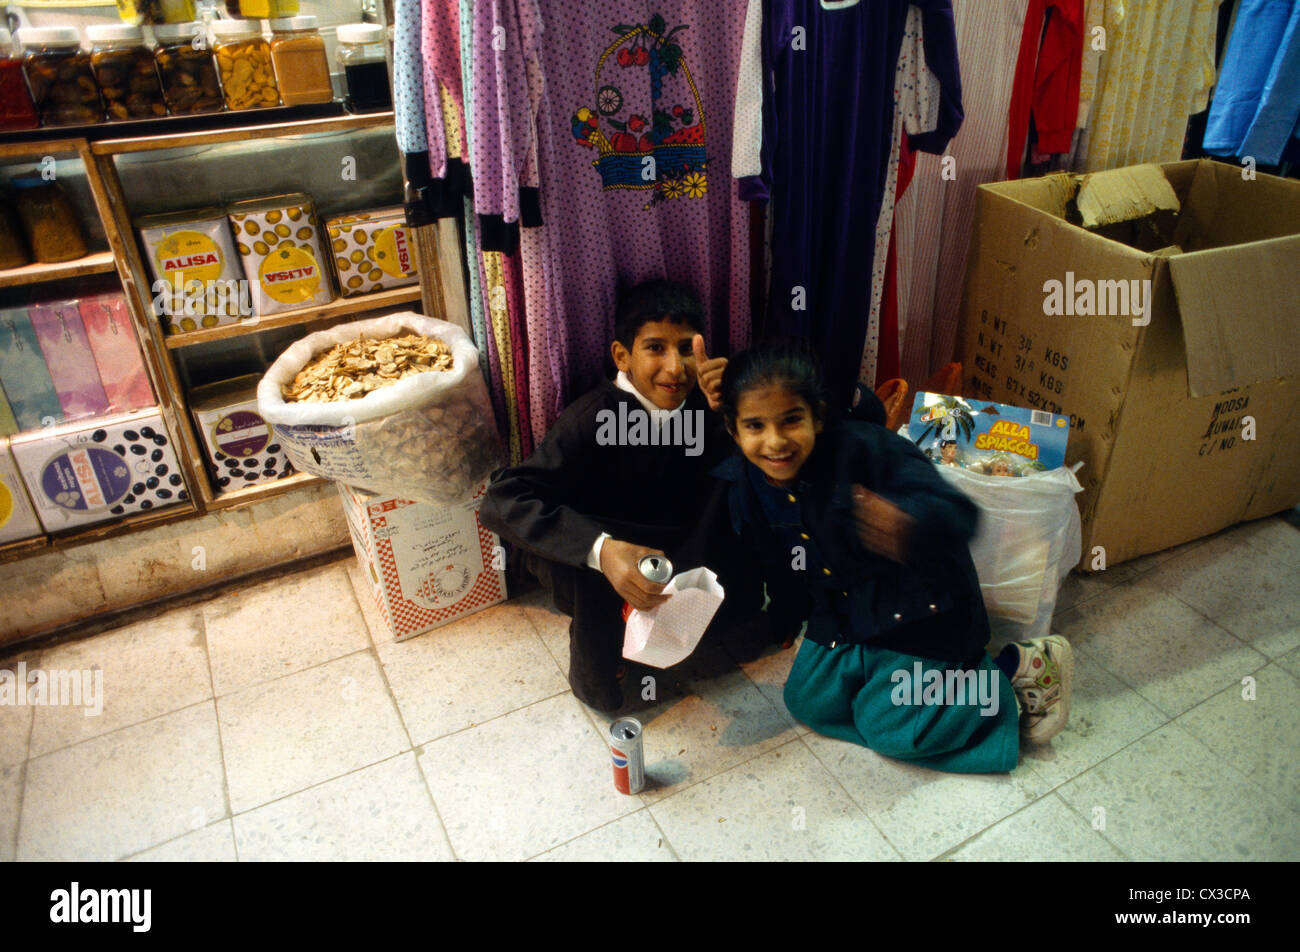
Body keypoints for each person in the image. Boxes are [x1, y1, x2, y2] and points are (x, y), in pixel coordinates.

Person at [713, 339, 1074, 773]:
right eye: (755, 426)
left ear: (818, 416)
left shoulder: (870, 449)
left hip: (924, 613)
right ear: (735, 431)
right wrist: (787, 619)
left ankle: (1010, 675)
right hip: (848, 614)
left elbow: (963, 515)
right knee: (808, 703)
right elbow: (776, 562)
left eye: (791, 420)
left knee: (893, 733)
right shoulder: (749, 481)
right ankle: (905, 692)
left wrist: (909, 524)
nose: (775, 442)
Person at [479, 280, 781, 712]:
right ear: (623, 356)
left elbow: (760, 470)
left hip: (677, 541)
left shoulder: (704, 407)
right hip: (600, 550)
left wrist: (734, 411)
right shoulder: (592, 417)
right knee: (599, 607)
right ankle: (606, 667)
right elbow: (501, 499)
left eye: (683, 350)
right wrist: (601, 552)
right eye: (655, 348)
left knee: (736, 531)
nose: (675, 368)